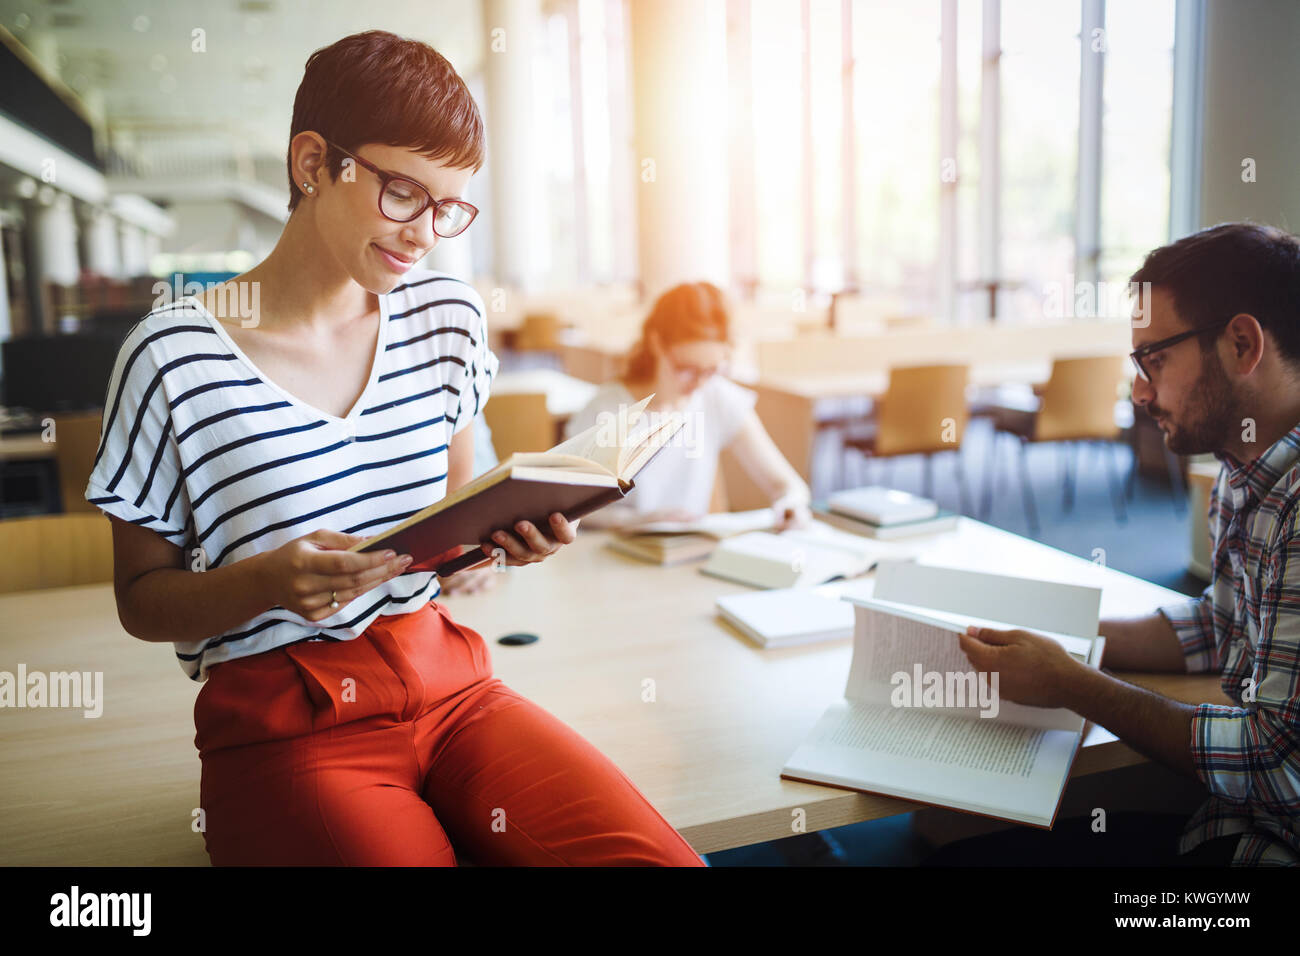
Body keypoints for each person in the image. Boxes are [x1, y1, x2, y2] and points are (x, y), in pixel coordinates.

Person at [85, 30, 704, 867]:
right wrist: (269, 581)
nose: (426, 236)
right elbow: (141, 601)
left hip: (450, 685)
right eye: (405, 193)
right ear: (314, 162)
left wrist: (500, 546)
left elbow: (446, 545)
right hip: (285, 719)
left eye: (450, 207)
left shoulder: (448, 320)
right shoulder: (170, 358)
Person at [936, 222, 1300, 866]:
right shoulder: (1243, 471)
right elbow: (1220, 627)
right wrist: (1058, 628)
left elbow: (1274, 766)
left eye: (1154, 360)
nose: (1138, 392)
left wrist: (1073, 683)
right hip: (1224, 822)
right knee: (955, 839)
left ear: (1241, 344)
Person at [564, 281, 812, 532]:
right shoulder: (606, 410)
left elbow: (789, 486)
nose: (699, 383)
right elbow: (567, 506)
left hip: (688, 554)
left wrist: (789, 505)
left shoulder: (716, 395)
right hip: (613, 556)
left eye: (712, 370)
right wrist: (633, 521)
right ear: (656, 343)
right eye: (686, 369)